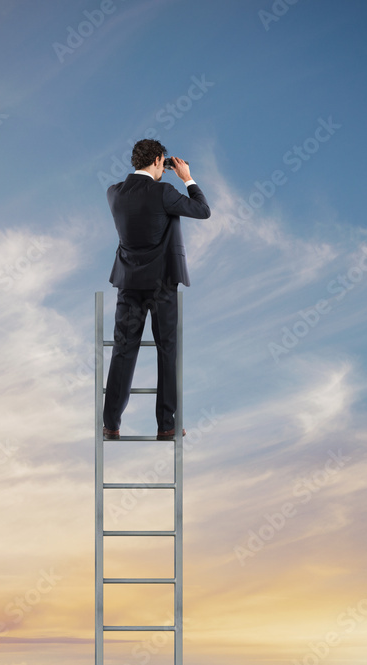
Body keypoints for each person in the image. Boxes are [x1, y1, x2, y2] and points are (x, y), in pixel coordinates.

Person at [103, 139, 211, 440]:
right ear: (159, 160)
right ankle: (166, 425)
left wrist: (158, 169)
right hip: (161, 285)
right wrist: (186, 177)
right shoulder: (164, 192)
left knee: (123, 351)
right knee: (168, 352)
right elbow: (203, 210)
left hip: (127, 284)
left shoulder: (114, 193)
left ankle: (111, 424)